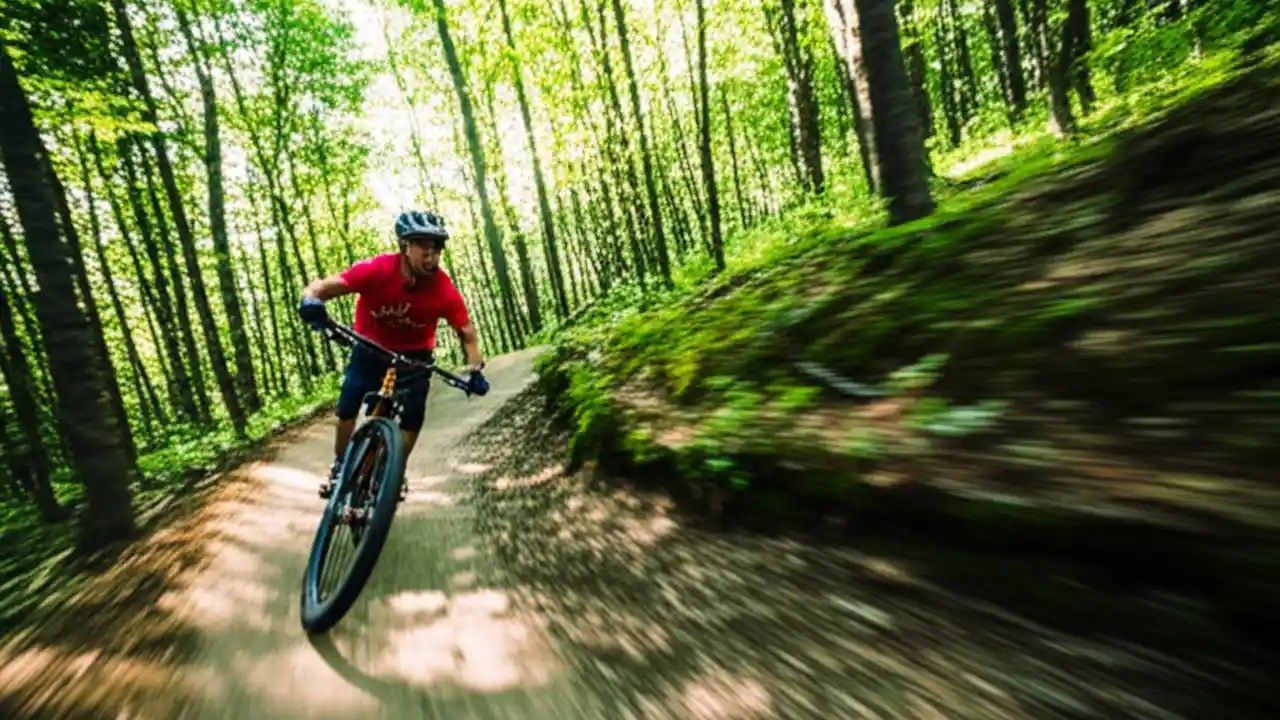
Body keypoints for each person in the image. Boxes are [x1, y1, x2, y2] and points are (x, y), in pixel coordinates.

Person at [297, 210, 489, 499]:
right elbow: (322, 287)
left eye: (437, 249)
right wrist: (310, 302)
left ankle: (395, 471)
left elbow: (467, 333)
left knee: (412, 419)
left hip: (415, 357)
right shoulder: (377, 270)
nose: (431, 256)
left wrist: (475, 369)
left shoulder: (443, 288)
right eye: (424, 247)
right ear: (404, 246)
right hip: (370, 348)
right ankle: (339, 467)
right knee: (348, 404)